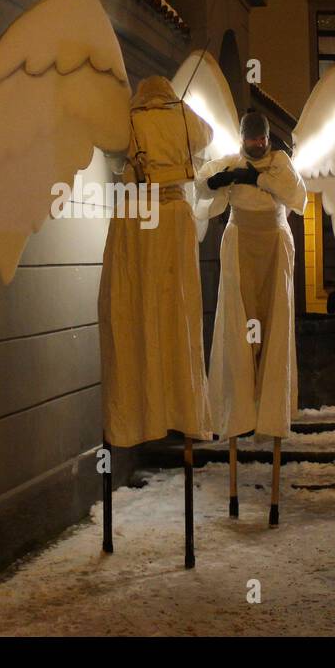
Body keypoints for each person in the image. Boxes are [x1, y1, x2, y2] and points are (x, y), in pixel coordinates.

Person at [98, 75, 214, 448]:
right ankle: (182, 410)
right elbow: (207, 136)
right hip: (176, 220)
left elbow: (111, 149)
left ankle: (137, 417)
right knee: (178, 309)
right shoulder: (185, 118)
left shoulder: (128, 121)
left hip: (139, 218)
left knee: (131, 309)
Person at [198, 111, 307, 443]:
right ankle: (238, 408)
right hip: (240, 243)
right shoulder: (231, 162)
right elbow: (201, 184)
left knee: (273, 322)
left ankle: (271, 411)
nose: (257, 145)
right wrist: (214, 182)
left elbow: (296, 195)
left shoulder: (280, 163)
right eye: (251, 141)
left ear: (268, 138)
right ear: (243, 140)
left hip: (273, 244)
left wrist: (254, 179)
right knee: (238, 323)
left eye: (261, 140)